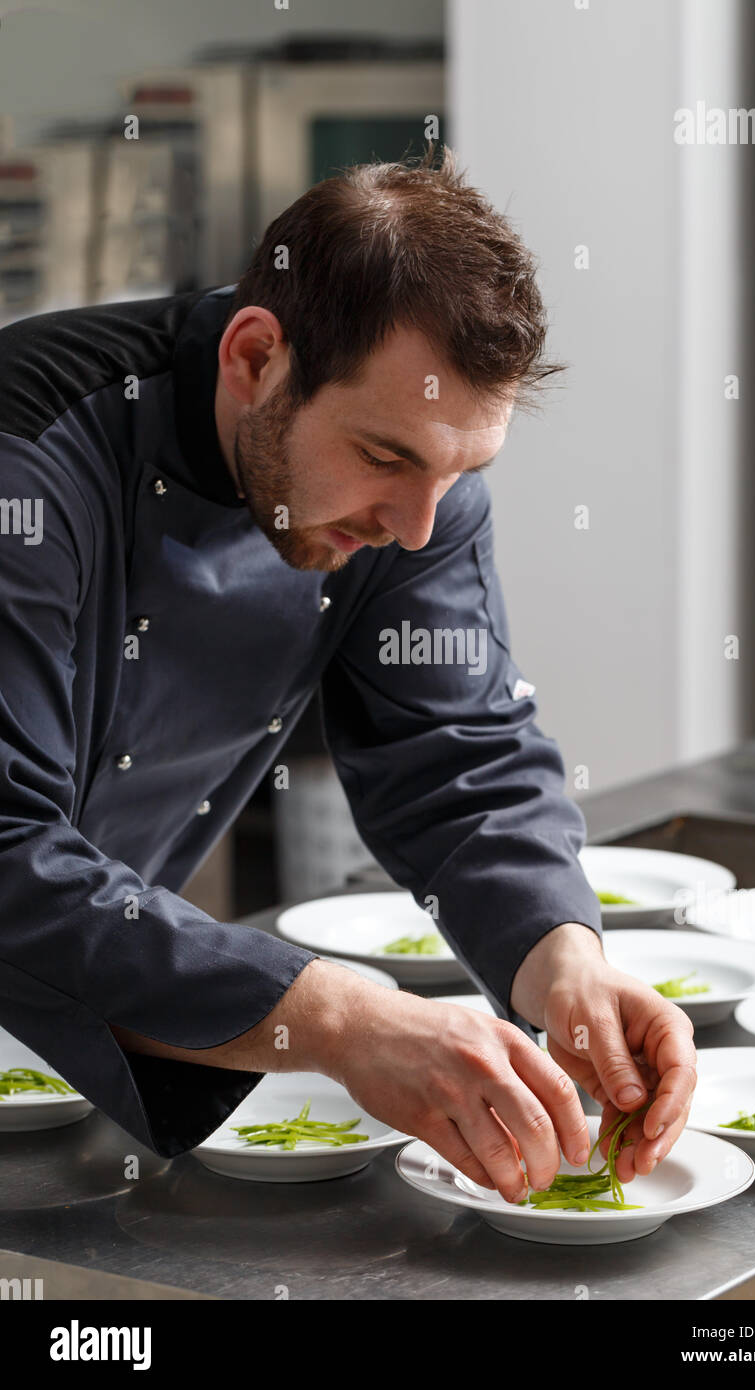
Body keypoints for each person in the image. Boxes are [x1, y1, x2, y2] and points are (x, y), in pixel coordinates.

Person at [0, 144, 695, 1202]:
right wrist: (334, 1016)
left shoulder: (420, 484)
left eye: (459, 471)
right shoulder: (26, 460)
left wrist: (562, 960)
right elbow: (8, 843)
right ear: (252, 359)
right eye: (384, 457)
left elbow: (453, 749)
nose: (418, 528)